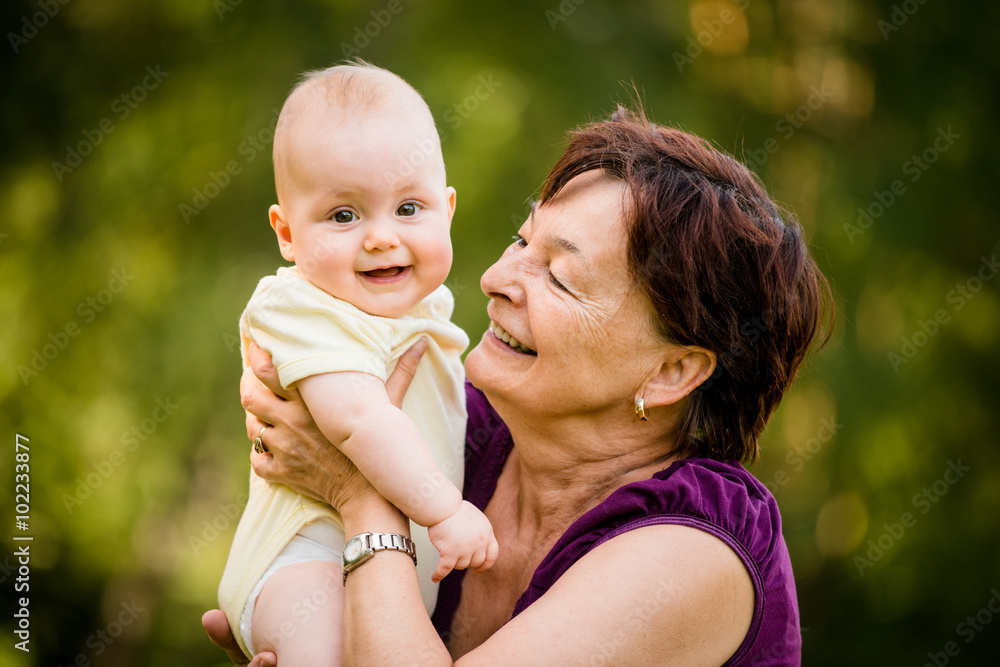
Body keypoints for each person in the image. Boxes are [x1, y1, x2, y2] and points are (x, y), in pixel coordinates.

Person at [206, 105, 831, 666]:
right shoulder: (462, 430)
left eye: (559, 277)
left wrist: (362, 496)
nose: (496, 277)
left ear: (671, 372)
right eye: (521, 238)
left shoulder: (696, 551)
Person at [216, 63, 498, 664]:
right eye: (344, 215)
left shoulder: (424, 308)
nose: (380, 237)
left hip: (378, 569)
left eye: (409, 208)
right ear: (287, 233)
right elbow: (358, 421)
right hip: (302, 563)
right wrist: (445, 511)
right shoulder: (303, 307)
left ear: (447, 209)